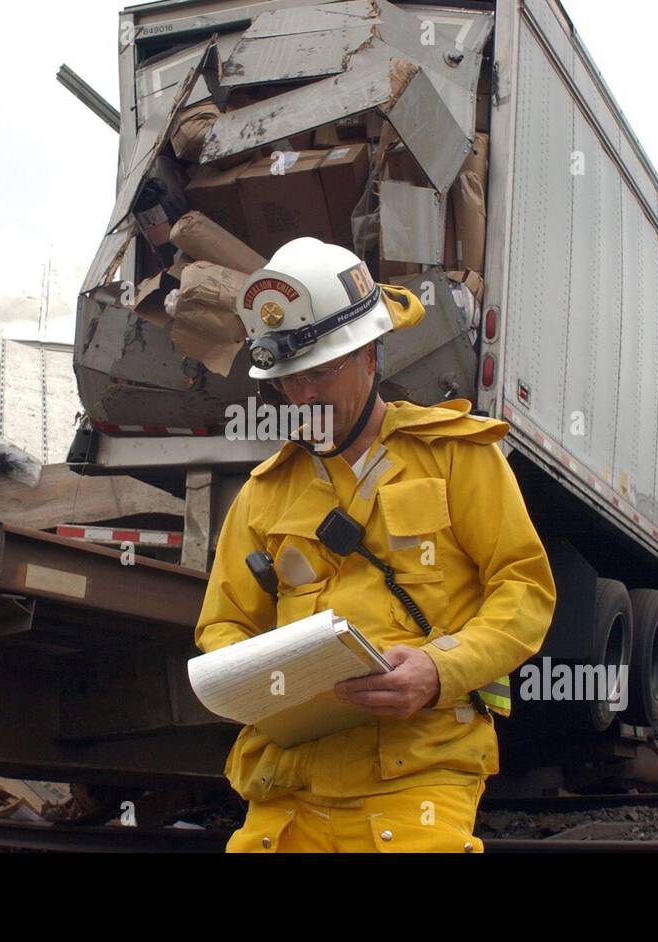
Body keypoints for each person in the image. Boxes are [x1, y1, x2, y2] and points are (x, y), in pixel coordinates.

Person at [194, 237, 556, 852]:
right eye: (288, 382)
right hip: (287, 787)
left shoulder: (457, 458)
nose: (304, 397)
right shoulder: (264, 493)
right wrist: (262, 682)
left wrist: (440, 671)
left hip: (415, 775)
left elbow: (523, 591)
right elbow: (223, 625)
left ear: (370, 354)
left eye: (319, 373)